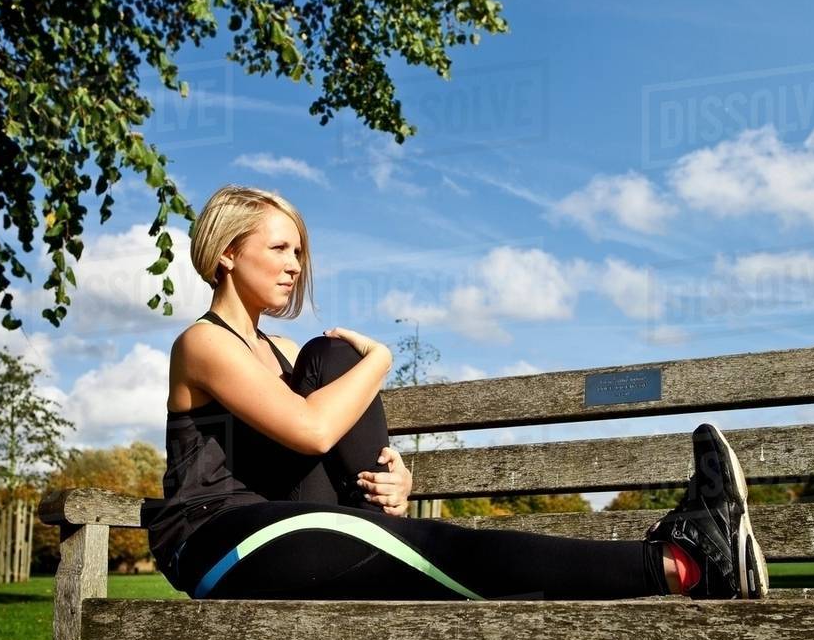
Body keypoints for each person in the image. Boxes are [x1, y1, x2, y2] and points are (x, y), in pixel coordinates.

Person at [146, 185, 769, 603]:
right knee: (434, 536)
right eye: (280, 248)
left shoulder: (286, 355)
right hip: (215, 539)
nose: (296, 265)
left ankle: (382, 525)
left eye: (301, 252)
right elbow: (311, 431)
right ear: (227, 253)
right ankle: (681, 564)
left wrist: (394, 481)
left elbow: (316, 439)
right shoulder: (203, 345)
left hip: (285, 516)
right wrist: (383, 358)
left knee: (331, 354)